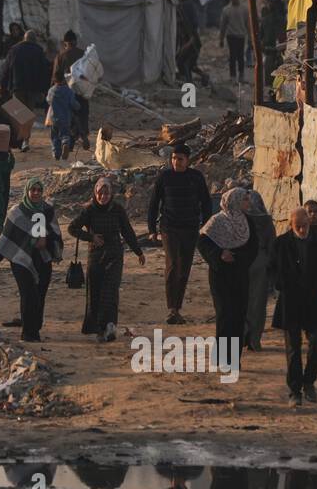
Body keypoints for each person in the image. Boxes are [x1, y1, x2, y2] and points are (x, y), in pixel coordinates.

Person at [272, 206, 317, 406]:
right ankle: (295, 390)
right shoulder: (282, 244)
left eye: (305, 226)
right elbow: (274, 270)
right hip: (291, 301)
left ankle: (309, 382)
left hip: (313, 300)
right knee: (293, 347)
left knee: (316, 342)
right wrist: (283, 285)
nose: (302, 230)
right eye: (298, 226)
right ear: (291, 225)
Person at [0, 179, 63, 342]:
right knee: (28, 295)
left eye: (38, 190)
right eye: (32, 190)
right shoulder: (17, 212)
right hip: (20, 260)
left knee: (40, 294)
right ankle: (29, 333)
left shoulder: (47, 211)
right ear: (27, 191)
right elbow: (7, 237)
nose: (35, 193)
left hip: (42, 259)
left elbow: (56, 234)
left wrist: (46, 240)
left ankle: (35, 326)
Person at [69, 177, 144, 342]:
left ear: (111, 194)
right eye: (100, 193)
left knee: (110, 291)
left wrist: (138, 251)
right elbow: (72, 228)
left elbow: (127, 231)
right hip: (95, 256)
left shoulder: (117, 210)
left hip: (115, 254)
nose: (103, 196)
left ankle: (110, 325)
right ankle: (98, 328)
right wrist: (91, 237)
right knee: (95, 292)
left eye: (106, 193)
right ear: (95, 193)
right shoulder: (89, 211)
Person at [147, 143, 213, 324]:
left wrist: (205, 225)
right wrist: (152, 229)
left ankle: (177, 307)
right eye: (174, 158)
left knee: (184, 268)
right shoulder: (164, 177)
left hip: (190, 228)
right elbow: (154, 204)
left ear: (187, 160)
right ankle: (171, 308)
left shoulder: (196, 177)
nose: (176, 162)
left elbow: (206, 203)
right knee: (173, 264)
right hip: (169, 227)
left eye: (180, 159)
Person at [198, 188, 258, 354]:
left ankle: (234, 356)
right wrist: (220, 254)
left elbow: (253, 248)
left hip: (240, 275)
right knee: (225, 315)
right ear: (234, 201)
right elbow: (203, 243)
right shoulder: (216, 221)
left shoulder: (247, 222)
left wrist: (238, 258)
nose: (248, 203)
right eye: (245, 199)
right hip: (220, 276)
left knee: (239, 315)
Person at [243, 187, 276, 351]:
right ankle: (254, 339)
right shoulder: (266, 220)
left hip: (242, 262)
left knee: (242, 300)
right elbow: (272, 245)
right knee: (257, 303)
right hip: (261, 263)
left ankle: (243, 335)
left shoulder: (241, 218)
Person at [52, 30, 89, 148]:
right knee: (82, 113)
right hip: (82, 90)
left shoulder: (61, 56)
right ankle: (83, 136)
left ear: (65, 43)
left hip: (67, 91)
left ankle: (70, 141)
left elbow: (56, 75)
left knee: (70, 116)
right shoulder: (84, 54)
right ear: (75, 42)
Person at [4, 29, 51, 118]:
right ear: (34, 40)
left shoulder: (14, 50)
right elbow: (44, 71)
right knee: (29, 112)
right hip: (32, 87)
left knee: (18, 113)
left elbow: (7, 69)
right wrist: (43, 89)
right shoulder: (38, 51)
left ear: (24, 38)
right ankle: (26, 130)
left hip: (17, 86)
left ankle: (20, 130)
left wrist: (3, 86)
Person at [46, 72, 79, 161]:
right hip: (66, 118)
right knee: (65, 134)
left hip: (53, 118)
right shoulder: (69, 91)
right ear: (65, 80)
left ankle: (56, 153)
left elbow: (48, 100)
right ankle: (65, 144)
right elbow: (73, 104)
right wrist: (78, 106)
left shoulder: (51, 90)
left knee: (54, 136)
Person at [219, 0, 248, 84]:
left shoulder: (244, 9)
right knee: (232, 56)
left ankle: (241, 76)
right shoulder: (226, 10)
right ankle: (233, 77)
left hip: (241, 36)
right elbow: (223, 25)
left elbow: (248, 24)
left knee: (240, 57)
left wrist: (251, 38)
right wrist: (221, 39)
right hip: (231, 36)